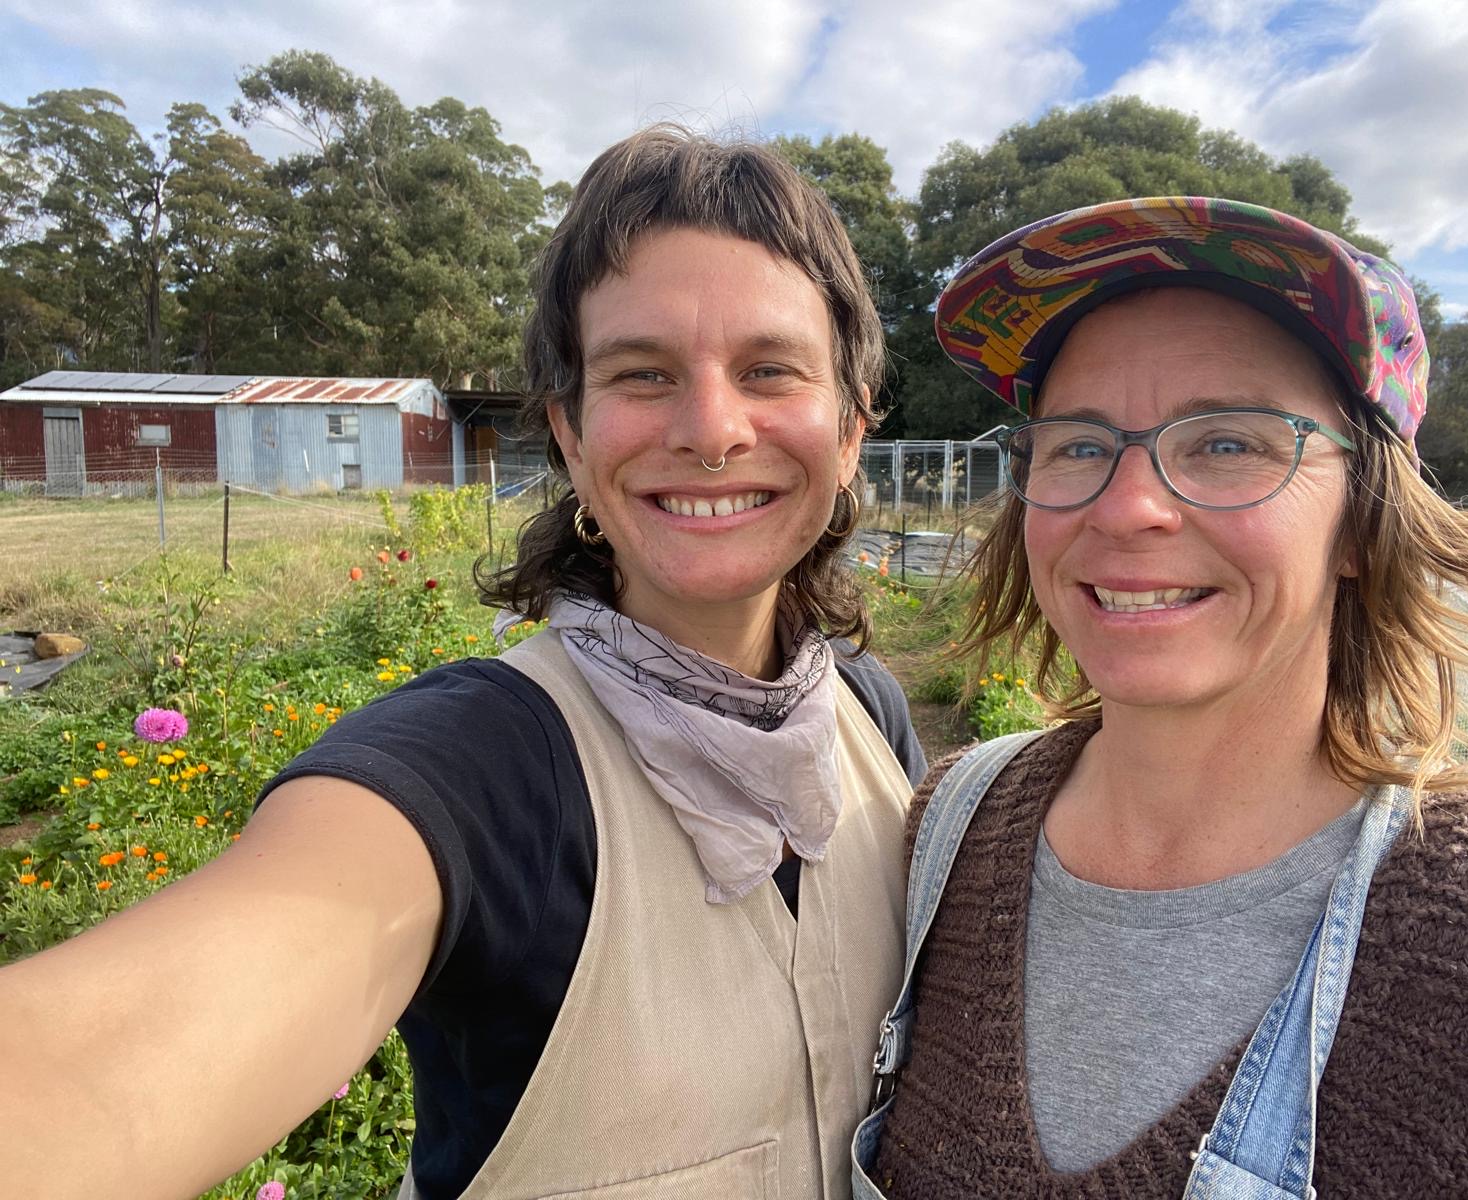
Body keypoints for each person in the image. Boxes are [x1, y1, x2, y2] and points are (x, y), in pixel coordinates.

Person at [0, 126, 925, 1200]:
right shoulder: (481, 766)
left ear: (851, 430)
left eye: (769, 369)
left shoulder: (870, 715)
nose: (711, 428)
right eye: (642, 372)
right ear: (571, 437)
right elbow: (105, 1072)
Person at [854, 197, 1468, 1198]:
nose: (1128, 508)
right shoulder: (952, 828)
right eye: (1076, 444)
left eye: (1227, 443)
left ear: (1360, 520)